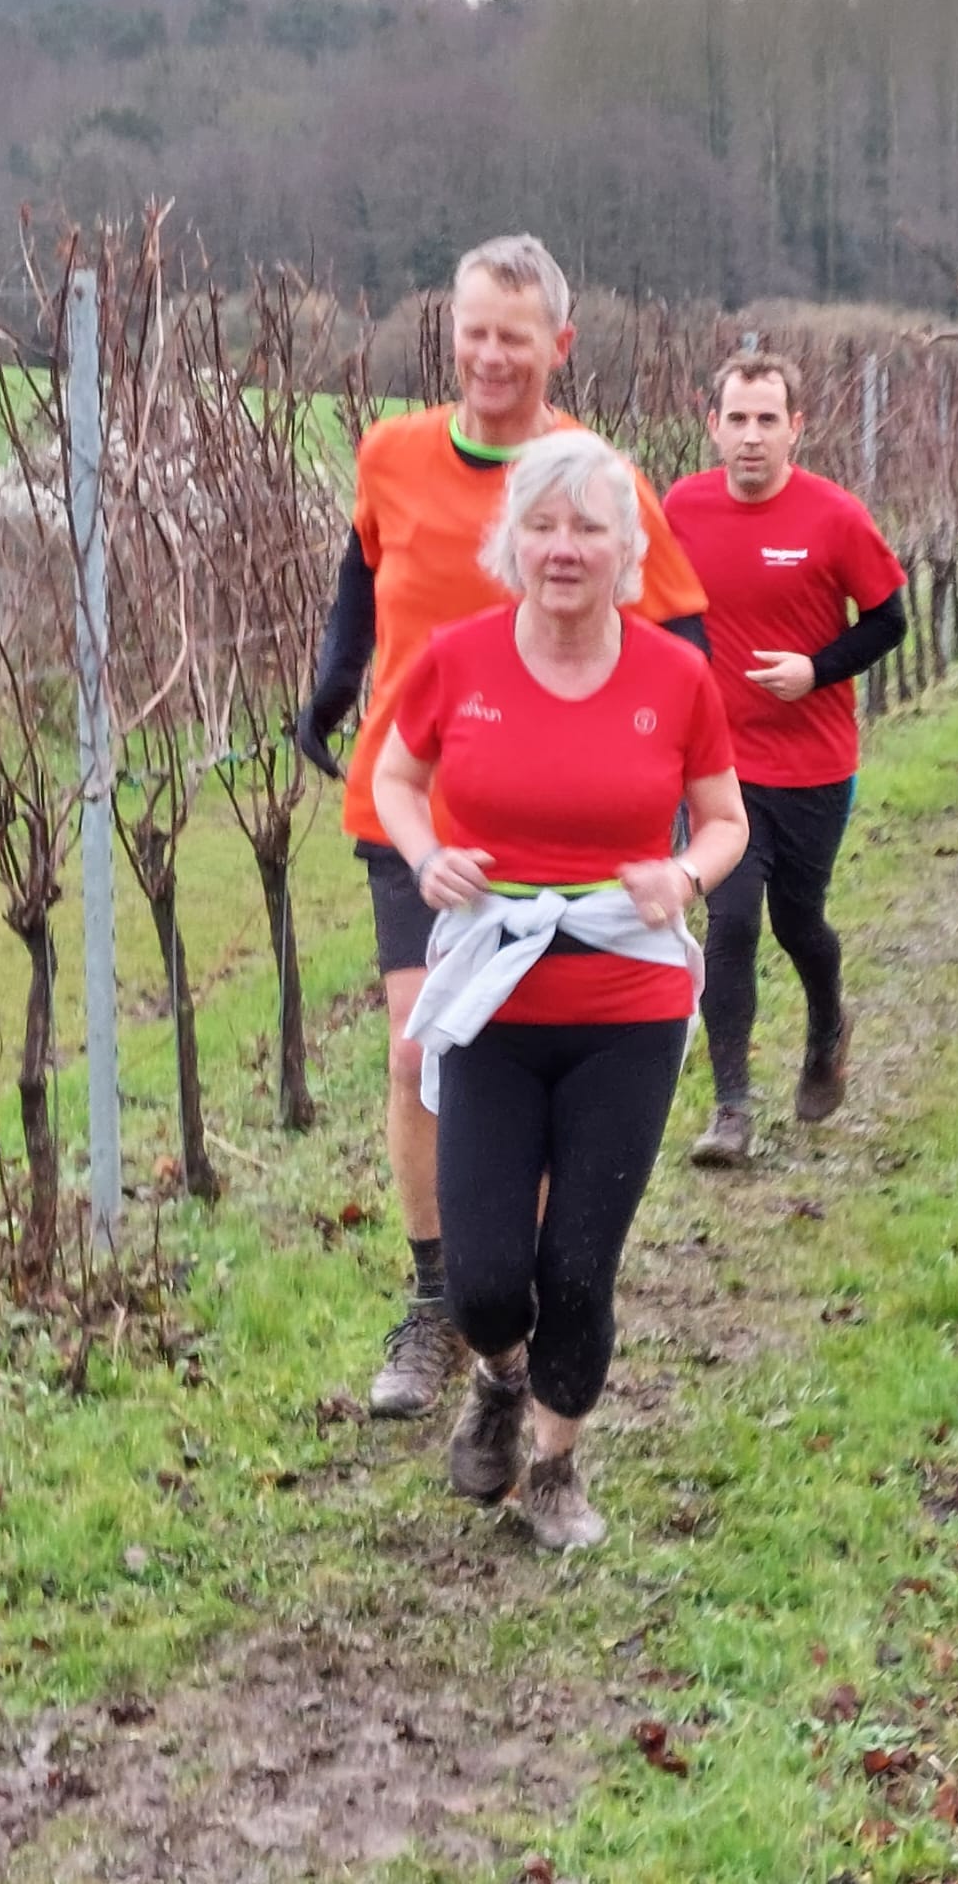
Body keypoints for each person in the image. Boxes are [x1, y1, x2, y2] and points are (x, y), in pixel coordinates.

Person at [297, 235, 708, 1419]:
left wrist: (673, 829)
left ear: (555, 348)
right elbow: (362, 569)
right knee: (421, 1048)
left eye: (512, 337)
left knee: (524, 1062)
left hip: (569, 838)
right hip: (416, 803)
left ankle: (518, 1303)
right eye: (472, 332)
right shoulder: (393, 450)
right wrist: (332, 682)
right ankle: (441, 1302)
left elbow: (679, 640)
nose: (488, 355)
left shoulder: (597, 478)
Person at [370, 430, 747, 1548]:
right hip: (491, 997)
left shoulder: (675, 676)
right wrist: (423, 849)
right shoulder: (460, 660)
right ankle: (496, 1372)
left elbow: (725, 821)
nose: (565, 546)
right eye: (543, 524)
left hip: (624, 1007)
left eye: (590, 526)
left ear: (629, 549)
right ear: (511, 541)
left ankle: (554, 1469)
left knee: (579, 1262)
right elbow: (397, 771)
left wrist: (679, 872)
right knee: (486, 1279)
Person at [665, 352, 907, 1168]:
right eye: (737, 419)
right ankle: (731, 1110)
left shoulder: (835, 518)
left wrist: (816, 670)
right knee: (730, 922)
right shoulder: (683, 508)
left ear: (797, 428)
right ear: (713, 426)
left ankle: (826, 1028)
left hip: (813, 763)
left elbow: (888, 621)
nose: (751, 437)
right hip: (718, 768)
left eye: (768, 420)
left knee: (798, 922)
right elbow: (665, 611)